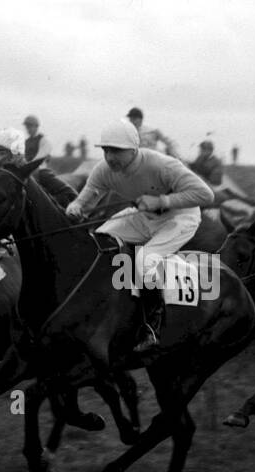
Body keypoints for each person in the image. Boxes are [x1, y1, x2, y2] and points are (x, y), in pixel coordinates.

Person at [65, 120, 213, 352]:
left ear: (133, 149)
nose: (110, 157)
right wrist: (75, 207)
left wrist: (162, 200)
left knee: (146, 260)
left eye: (116, 150)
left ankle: (152, 325)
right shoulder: (103, 170)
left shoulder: (163, 165)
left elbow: (206, 195)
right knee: (100, 241)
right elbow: (86, 201)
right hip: (144, 216)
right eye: (106, 150)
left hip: (180, 217)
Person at [0, 128, 77, 206]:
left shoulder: (39, 173)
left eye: (2, 153)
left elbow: (71, 195)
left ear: (16, 154)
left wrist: (41, 203)